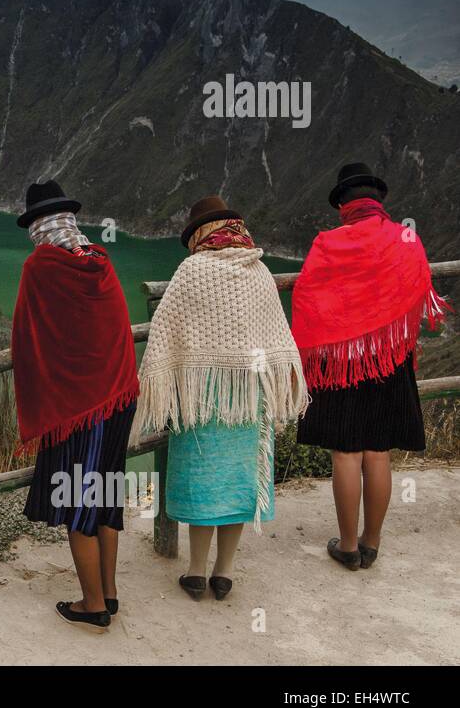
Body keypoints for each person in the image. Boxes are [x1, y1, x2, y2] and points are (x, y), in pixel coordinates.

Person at [135, 196, 307, 601]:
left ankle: (195, 572)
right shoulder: (261, 272)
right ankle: (224, 572)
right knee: (238, 483)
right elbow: (277, 337)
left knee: (203, 479)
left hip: (204, 399)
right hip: (249, 399)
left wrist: (173, 378)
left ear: (199, 234)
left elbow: (165, 335)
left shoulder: (191, 271)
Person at [291, 163, 451, 570]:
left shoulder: (328, 243)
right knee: (378, 453)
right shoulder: (406, 238)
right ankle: (371, 542)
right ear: (377, 201)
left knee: (346, 454)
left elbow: (309, 300)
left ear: (343, 205)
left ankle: (346, 546)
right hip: (389, 358)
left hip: (342, 362)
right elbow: (417, 291)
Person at [12, 180, 140, 631]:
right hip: (118, 399)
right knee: (103, 497)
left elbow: (27, 340)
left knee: (77, 503)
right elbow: (115, 332)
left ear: (38, 227)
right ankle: (109, 591)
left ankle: (92, 606)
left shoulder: (40, 269)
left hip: (76, 411)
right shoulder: (99, 263)